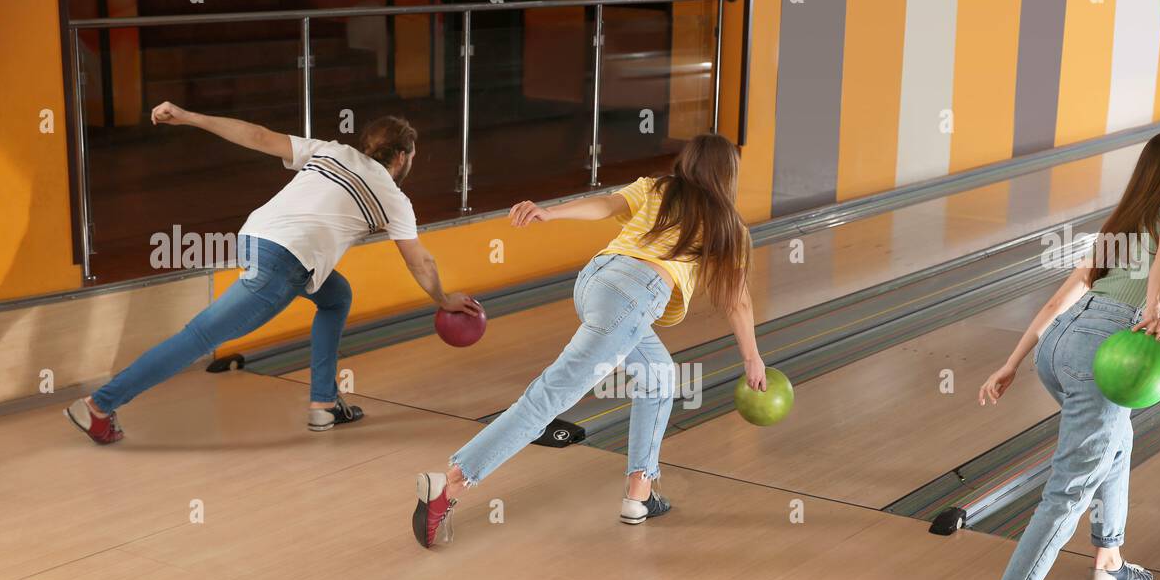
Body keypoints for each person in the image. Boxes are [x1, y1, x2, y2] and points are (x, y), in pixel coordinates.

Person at [412, 133, 766, 547]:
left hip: (595, 281)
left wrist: (552, 213)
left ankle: (640, 491)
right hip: (633, 298)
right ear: (729, 176)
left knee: (660, 378)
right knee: (548, 398)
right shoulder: (729, 226)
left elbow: (606, 204)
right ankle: (451, 483)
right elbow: (737, 303)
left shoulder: (657, 188)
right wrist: (752, 360)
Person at [65, 102, 478, 444]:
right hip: (282, 264)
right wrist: (443, 299)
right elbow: (419, 260)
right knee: (199, 337)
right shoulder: (394, 198)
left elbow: (258, 136)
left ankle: (323, 404)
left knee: (335, 296)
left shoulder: (330, 151)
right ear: (403, 156)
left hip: (255, 239)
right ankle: (99, 406)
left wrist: (192, 116)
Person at [976, 131, 1160, 580]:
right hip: (1107, 351)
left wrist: (1015, 361)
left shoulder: (1127, 218)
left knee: (1117, 441)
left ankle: (1108, 557)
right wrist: (1154, 310)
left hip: (1060, 346)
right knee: (1069, 489)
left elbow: (1067, 294)